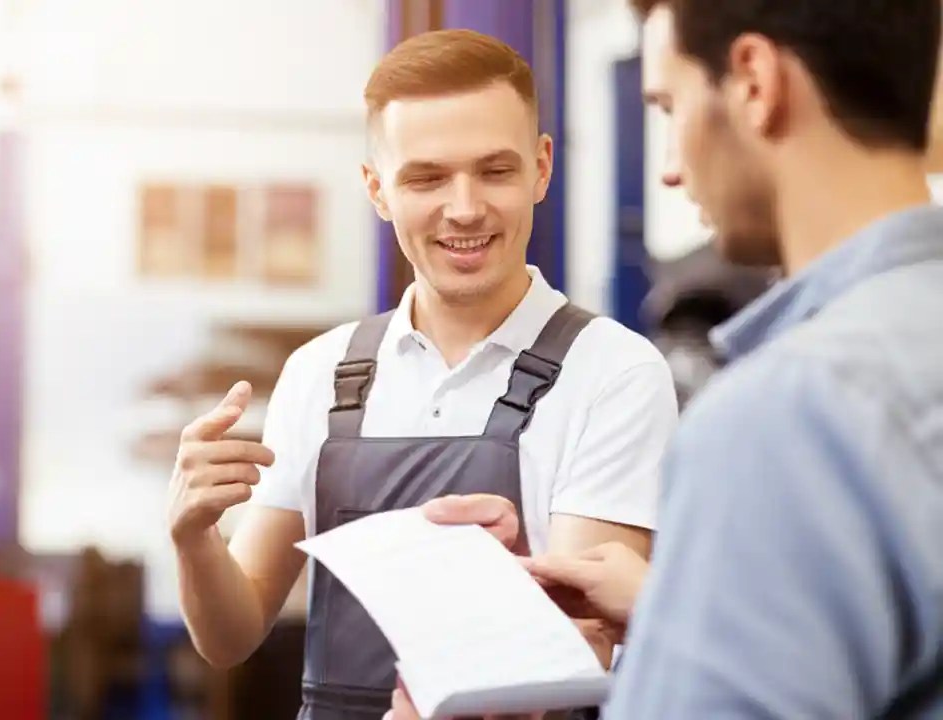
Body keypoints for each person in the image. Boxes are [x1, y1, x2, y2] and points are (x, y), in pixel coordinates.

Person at [392, 0, 943, 717]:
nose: (673, 170)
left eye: (669, 107)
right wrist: (675, 614)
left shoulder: (784, 415)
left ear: (753, 81)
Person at [166, 28, 679, 720]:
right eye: (427, 177)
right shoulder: (322, 373)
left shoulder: (614, 373)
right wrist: (193, 535)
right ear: (377, 189)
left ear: (541, 168)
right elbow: (229, 638)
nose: (464, 208)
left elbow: (580, 650)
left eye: (494, 171)